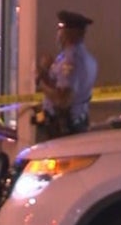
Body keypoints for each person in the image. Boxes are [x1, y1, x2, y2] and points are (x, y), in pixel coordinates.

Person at [34, 10, 98, 142]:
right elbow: (60, 85)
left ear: (69, 33)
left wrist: (40, 82)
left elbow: (63, 99)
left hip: (64, 128)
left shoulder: (71, 60)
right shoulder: (84, 57)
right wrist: (46, 73)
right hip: (74, 122)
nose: (58, 33)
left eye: (60, 28)